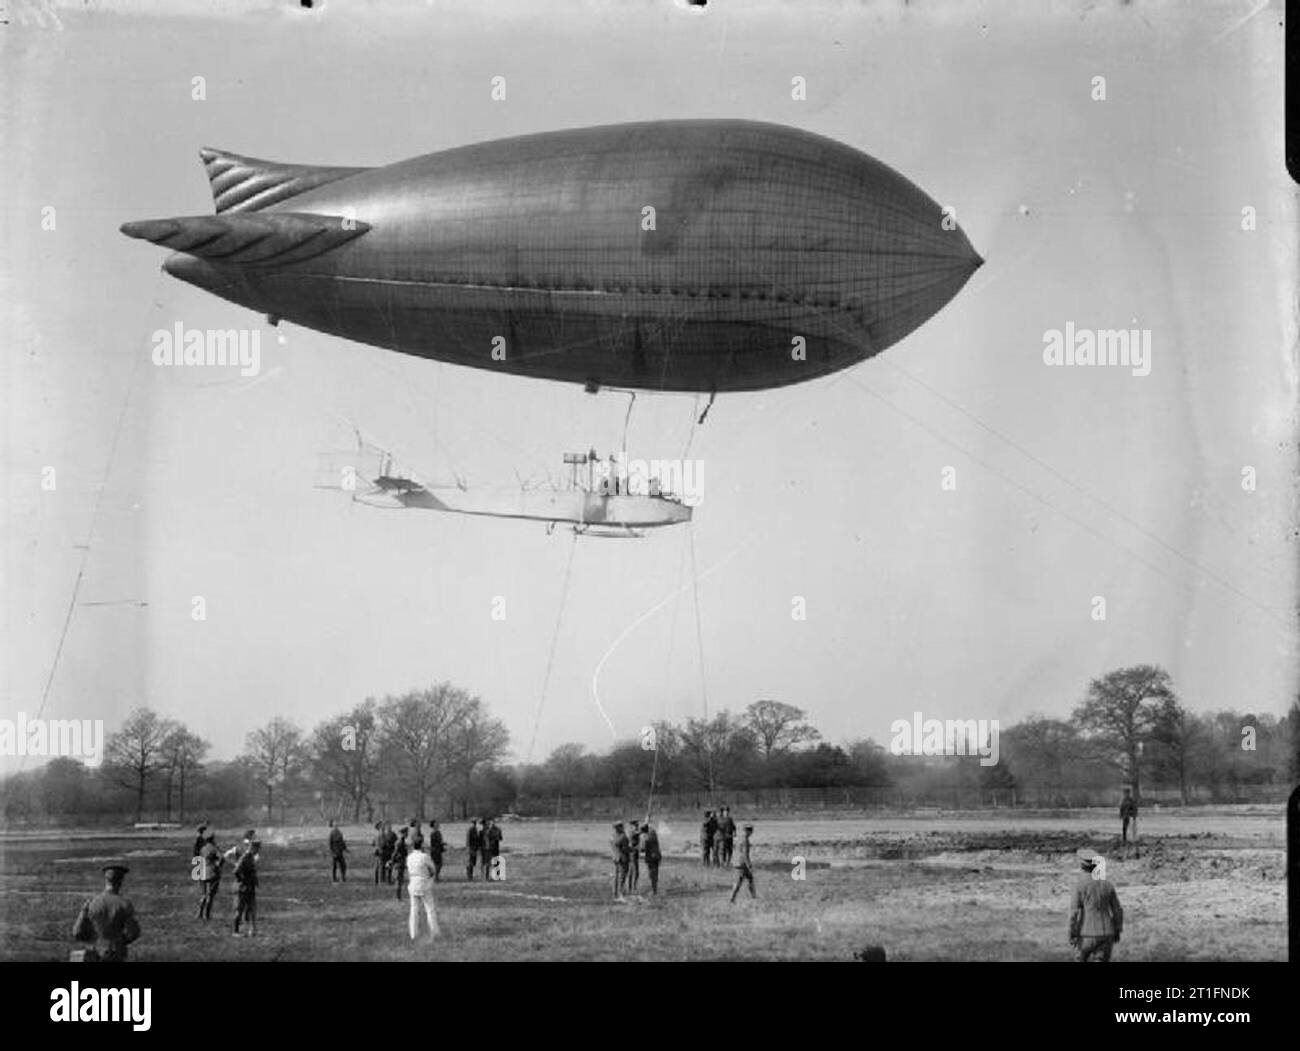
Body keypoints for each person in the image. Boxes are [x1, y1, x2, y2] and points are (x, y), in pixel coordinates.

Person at [73, 862, 141, 962]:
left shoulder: (90, 903)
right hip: (115, 954)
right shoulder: (124, 904)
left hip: (94, 952)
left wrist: (92, 940)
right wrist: (121, 942)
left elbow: (77, 932)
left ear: (106, 880)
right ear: (121, 881)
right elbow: (133, 933)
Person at [1069, 848, 1123, 962]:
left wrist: (1071, 932)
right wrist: (1117, 929)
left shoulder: (1080, 886)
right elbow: (1117, 910)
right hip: (1107, 932)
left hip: (1086, 933)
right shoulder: (1108, 885)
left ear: (1082, 866)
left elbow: (1074, 912)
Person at [405, 840, 441, 941]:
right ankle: (435, 932)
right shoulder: (425, 857)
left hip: (413, 882)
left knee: (414, 910)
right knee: (430, 909)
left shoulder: (409, 857)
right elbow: (433, 869)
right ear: (421, 846)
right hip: (424, 883)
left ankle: (413, 933)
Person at [233, 839, 260, 937]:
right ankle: (235, 931)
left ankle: (252, 930)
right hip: (242, 888)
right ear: (253, 847)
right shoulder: (244, 858)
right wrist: (242, 880)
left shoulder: (251, 857)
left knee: (251, 909)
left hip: (250, 887)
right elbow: (236, 871)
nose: (258, 851)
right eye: (257, 849)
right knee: (239, 910)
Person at [196, 832, 223, 920]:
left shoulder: (203, 849)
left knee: (203, 895)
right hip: (212, 873)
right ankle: (207, 914)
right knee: (210, 895)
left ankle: (199, 913)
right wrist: (219, 865)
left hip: (202, 872)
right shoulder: (214, 849)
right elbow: (221, 858)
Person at [729, 824, 756, 903]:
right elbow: (745, 854)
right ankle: (732, 898)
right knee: (738, 882)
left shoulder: (739, 838)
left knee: (750, 879)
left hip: (737, 861)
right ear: (749, 831)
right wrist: (749, 865)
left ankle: (753, 897)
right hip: (741, 864)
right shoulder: (745, 840)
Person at [611, 822, 630, 901]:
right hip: (623, 859)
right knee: (622, 877)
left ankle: (615, 894)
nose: (623, 828)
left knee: (616, 877)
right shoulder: (623, 837)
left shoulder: (612, 836)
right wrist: (633, 849)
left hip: (615, 858)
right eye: (621, 827)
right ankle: (620, 895)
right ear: (619, 827)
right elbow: (626, 849)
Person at [642, 821, 661, 895]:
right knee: (655, 874)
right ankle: (654, 890)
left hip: (651, 858)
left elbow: (643, 849)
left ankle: (654, 891)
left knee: (652, 875)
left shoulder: (648, 837)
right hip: (656, 857)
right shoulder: (653, 833)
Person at [392, 827, 411, 900]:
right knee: (398, 880)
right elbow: (395, 853)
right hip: (399, 862)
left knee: (400, 880)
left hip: (401, 862)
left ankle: (398, 896)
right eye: (406, 833)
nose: (407, 834)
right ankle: (398, 897)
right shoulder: (400, 842)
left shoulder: (402, 841)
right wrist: (392, 861)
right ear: (403, 833)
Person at [627, 820, 642, 893]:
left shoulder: (632, 831)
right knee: (635, 872)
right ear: (632, 826)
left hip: (633, 853)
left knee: (632, 871)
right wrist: (646, 822)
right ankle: (633, 887)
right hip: (633, 853)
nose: (637, 827)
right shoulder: (632, 832)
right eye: (635, 826)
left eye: (637, 826)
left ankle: (630, 887)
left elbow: (641, 831)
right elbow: (640, 832)